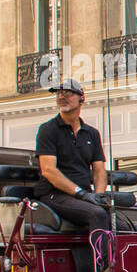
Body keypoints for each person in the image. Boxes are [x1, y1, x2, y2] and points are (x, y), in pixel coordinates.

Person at [33, 78, 110, 232]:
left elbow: (99, 170)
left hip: (83, 196)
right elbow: (49, 170)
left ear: (82, 98)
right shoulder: (48, 130)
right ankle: (101, 257)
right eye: (58, 94)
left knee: (121, 225)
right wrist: (80, 193)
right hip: (54, 194)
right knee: (97, 214)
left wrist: (99, 196)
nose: (61, 97)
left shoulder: (92, 133)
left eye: (67, 93)